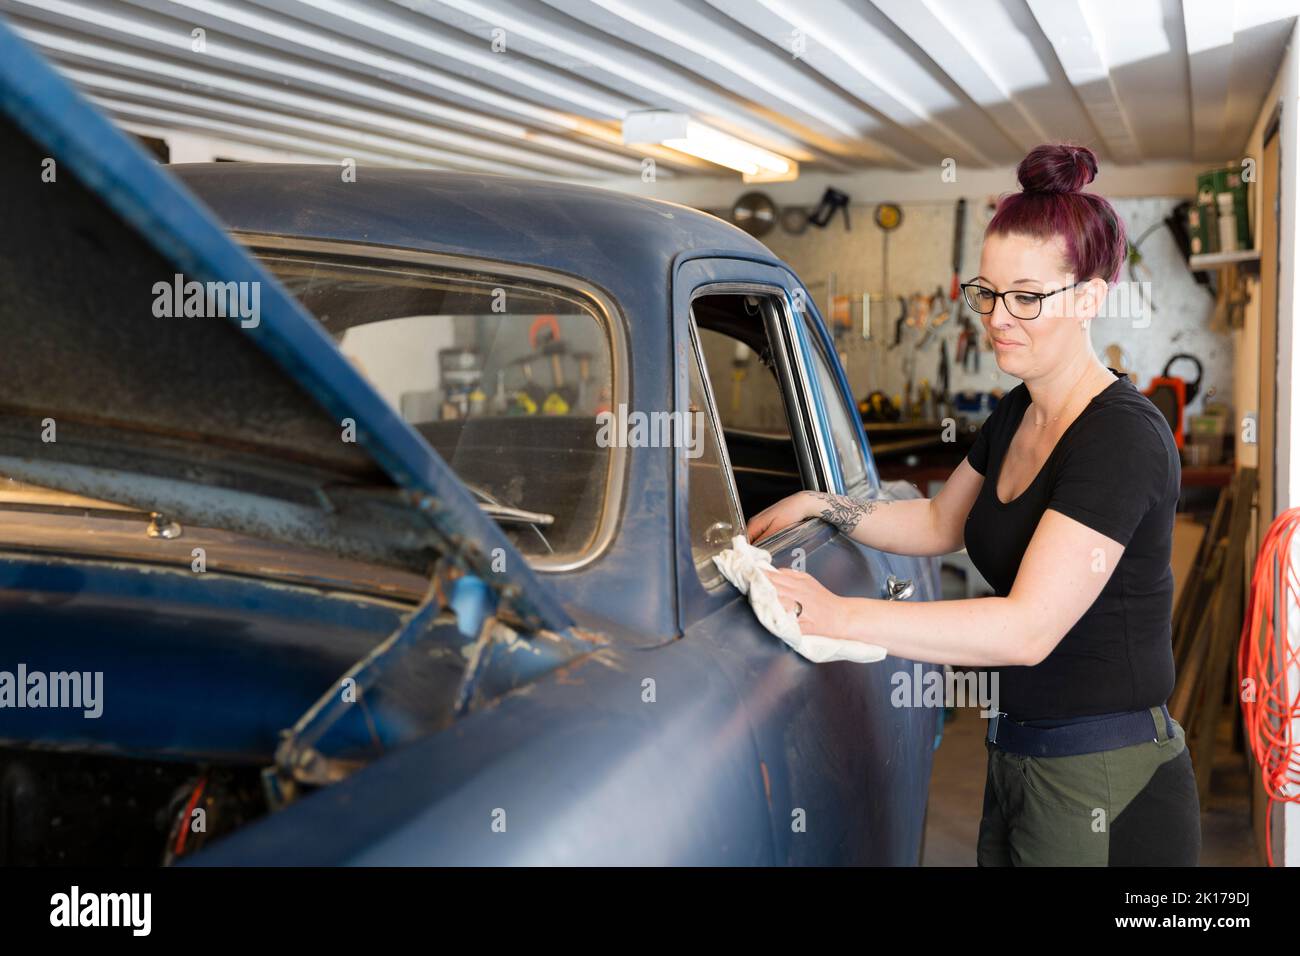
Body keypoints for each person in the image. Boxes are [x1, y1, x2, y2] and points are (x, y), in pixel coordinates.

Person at [750, 143, 1200, 866]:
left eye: (1026, 296)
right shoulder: (1019, 408)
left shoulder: (1122, 437)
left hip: (1103, 776)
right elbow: (937, 523)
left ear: (1089, 297)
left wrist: (838, 616)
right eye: (986, 292)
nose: (997, 317)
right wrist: (824, 504)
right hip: (1019, 752)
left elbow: (1027, 630)